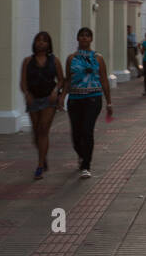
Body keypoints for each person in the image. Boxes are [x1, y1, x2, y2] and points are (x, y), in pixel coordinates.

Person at [61, 28, 112, 178]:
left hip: (93, 98)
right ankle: (81, 154)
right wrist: (62, 97)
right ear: (77, 38)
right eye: (82, 36)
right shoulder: (71, 58)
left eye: (87, 36)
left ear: (91, 39)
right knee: (76, 134)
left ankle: (86, 165)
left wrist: (109, 102)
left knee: (87, 130)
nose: (84, 38)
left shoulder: (98, 58)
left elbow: (103, 79)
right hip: (75, 99)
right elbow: (68, 80)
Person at [20, 31, 65, 179]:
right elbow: (23, 82)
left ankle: (39, 165)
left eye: (44, 41)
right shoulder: (27, 61)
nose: (41, 43)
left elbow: (60, 80)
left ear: (49, 44)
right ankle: (43, 155)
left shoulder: (54, 61)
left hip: (48, 100)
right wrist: (27, 94)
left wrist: (55, 91)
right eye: (38, 40)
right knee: (36, 133)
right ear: (34, 43)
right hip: (34, 99)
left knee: (43, 129)